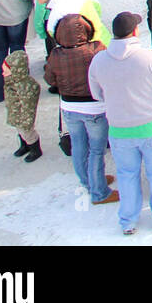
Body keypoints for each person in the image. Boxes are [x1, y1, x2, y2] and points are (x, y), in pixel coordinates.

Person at [87, 11, 152, 235]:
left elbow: (96, 93)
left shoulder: (99, 60)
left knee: (126, 174)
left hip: (119, 129)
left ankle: (128, 220)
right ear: (135, 32)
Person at [43, 13, 118, 205]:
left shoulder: (56, 55)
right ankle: (99, 191)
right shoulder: (96, 49)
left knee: (79, 146)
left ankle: (89, 182)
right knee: (96, 149)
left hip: (69, 107)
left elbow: (49, 80)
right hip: (93, 107)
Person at [2, 50, 42, 162]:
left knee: (27, 132)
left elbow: (27, 105)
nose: (3, 74)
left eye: (6, 71)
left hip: (24, 116)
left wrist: (26, 120)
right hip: (16, 112)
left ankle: (35, 149)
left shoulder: (25, 86)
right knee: (20, 131)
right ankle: (25, 145)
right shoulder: (12, 82)